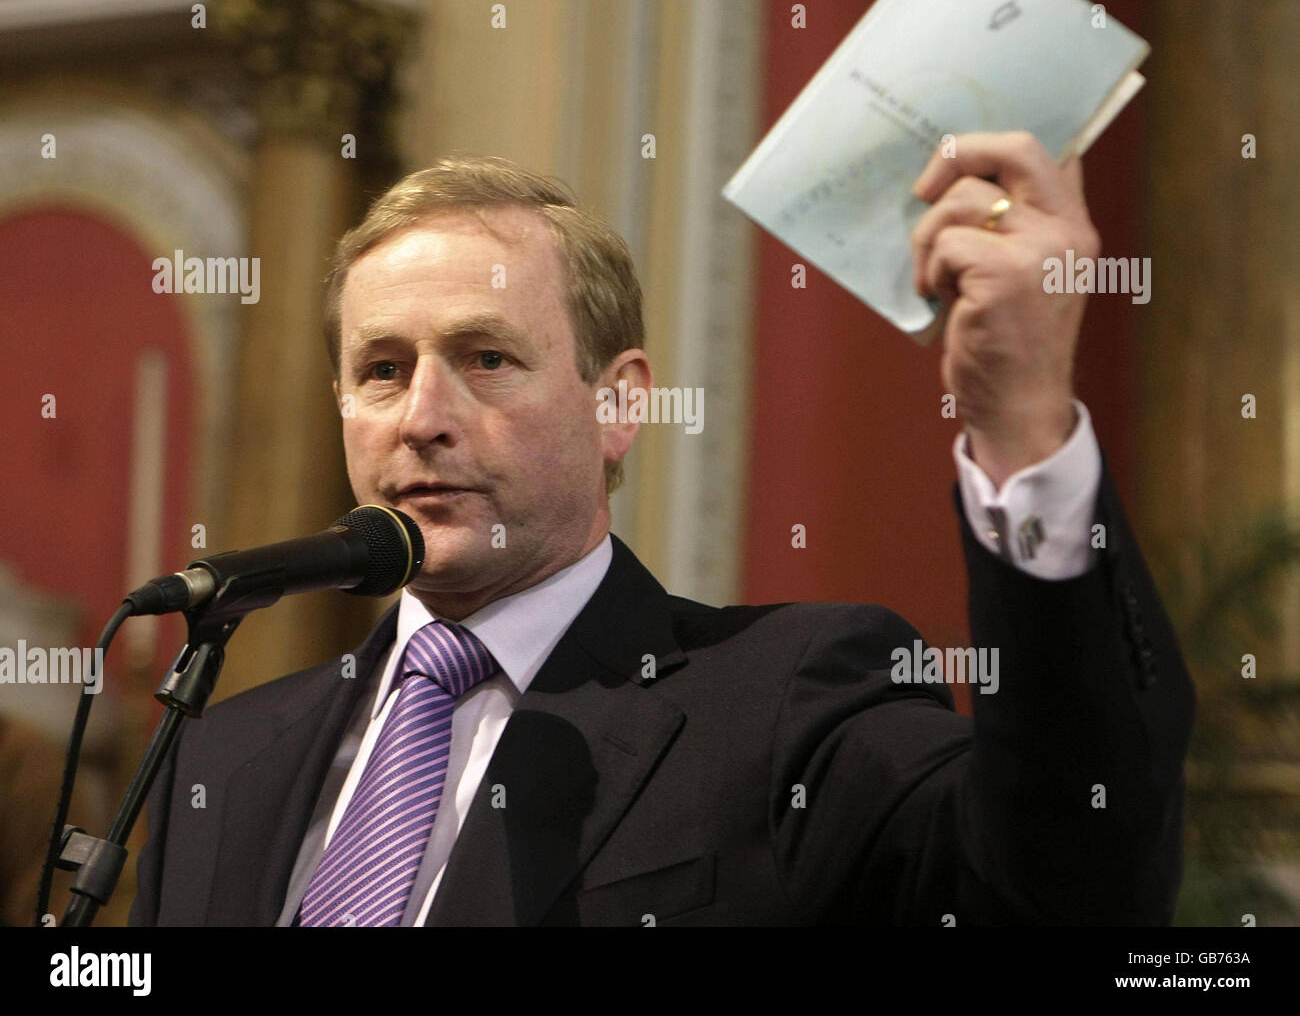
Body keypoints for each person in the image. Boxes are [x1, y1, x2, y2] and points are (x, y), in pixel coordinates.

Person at [129, 135, 1194, 926]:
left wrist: (1022, 428)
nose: (421, 414)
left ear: (620, 402)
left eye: (487, 357)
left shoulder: (787, 698)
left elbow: (1067, 882)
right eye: (381, 369)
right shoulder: (220, 755)